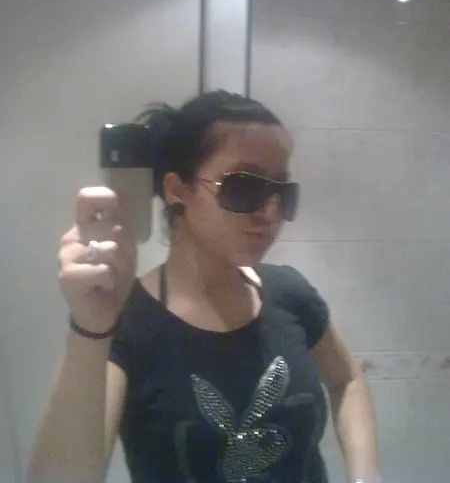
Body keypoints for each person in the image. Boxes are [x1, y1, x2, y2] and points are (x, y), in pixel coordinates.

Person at [27, 90, 380, 483]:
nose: (272, 212)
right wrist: (90, 327)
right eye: (244, 187)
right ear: (177, 189)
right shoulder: (126, 320)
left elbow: (347, 380)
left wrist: (365, 476)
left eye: (283, 192)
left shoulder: (290, 293)